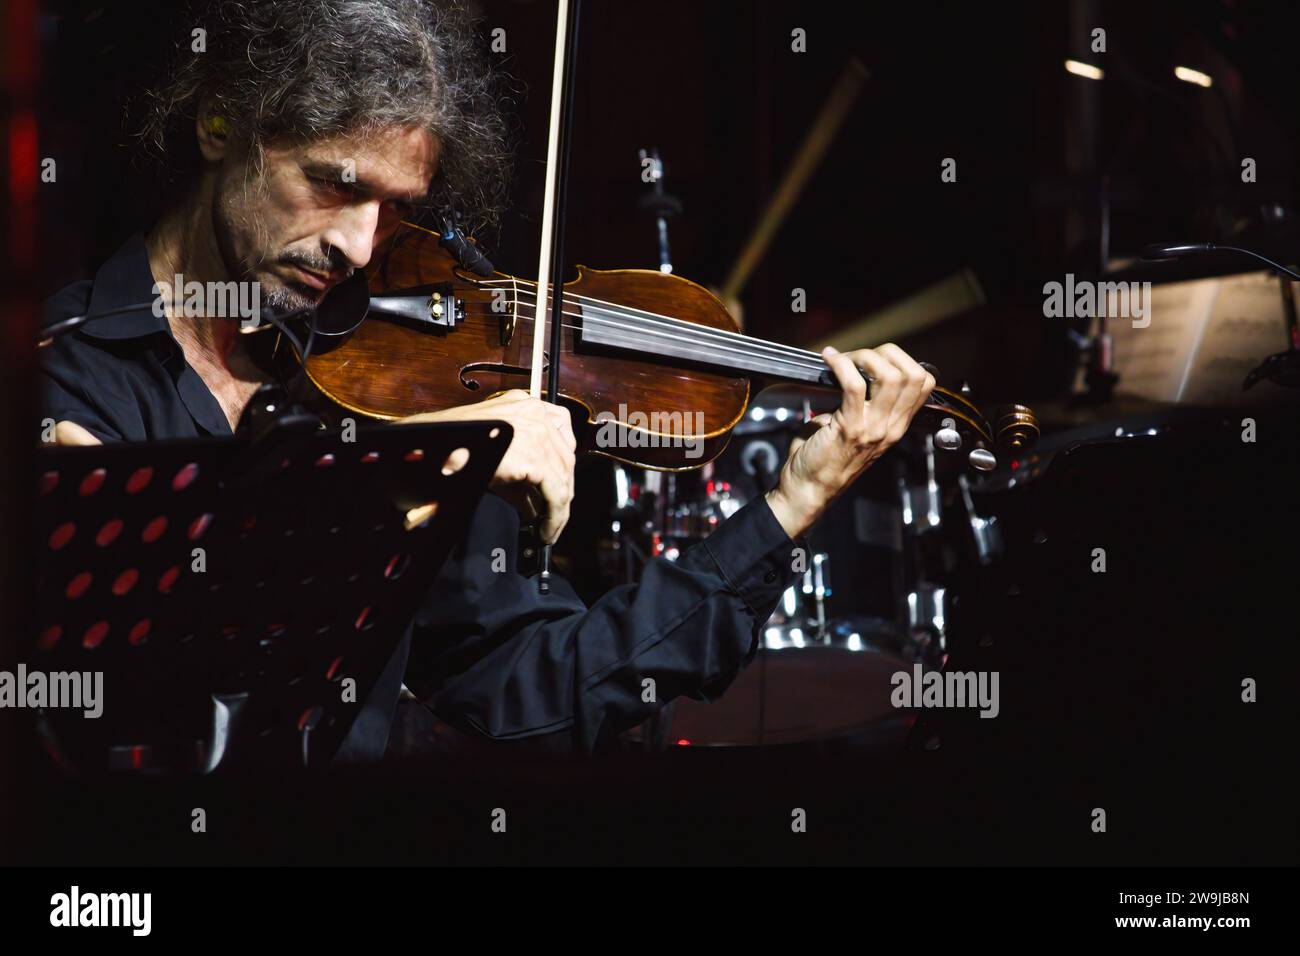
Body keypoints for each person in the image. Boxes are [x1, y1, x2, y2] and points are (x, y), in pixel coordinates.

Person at [40, 0, 935, 757]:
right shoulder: (62, 377)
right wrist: (419, 477)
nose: (357, 246)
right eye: (332, 183)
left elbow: (532, 698)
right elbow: (157, 686)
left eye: (395, 209)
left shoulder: (409, 387)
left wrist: (785, 511)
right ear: (221, 124)